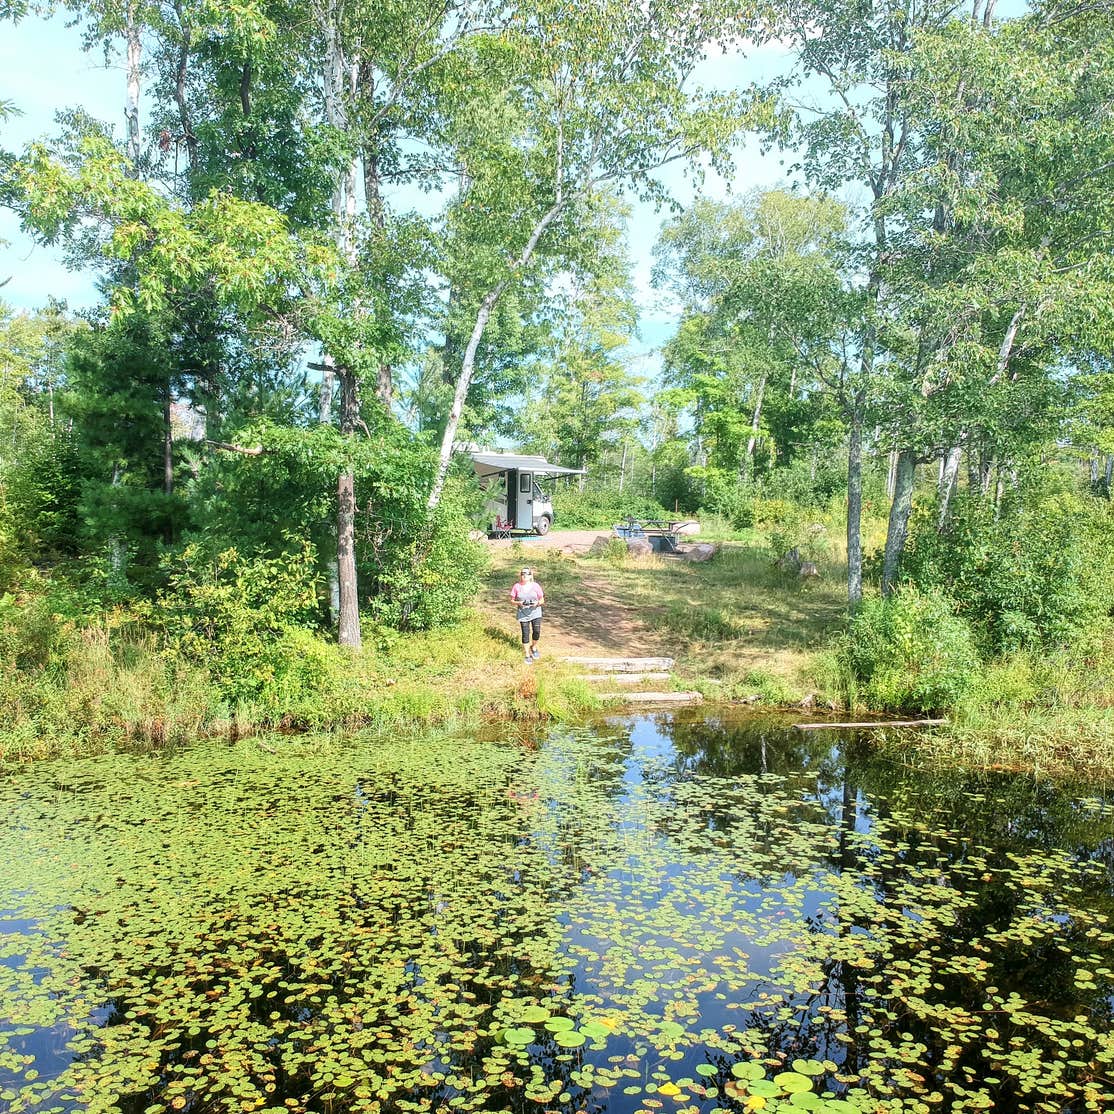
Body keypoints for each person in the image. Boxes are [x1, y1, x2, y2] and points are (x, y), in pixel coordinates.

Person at [510, 566, 545, 663]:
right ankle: (527, 654)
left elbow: (542, 599)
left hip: (536, 612)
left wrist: (537, 603)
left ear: (530, 576)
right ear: (520, 576)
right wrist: (518, 603)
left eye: (527, 574)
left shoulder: (536, 586)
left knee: (536, 631)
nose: (524, 576)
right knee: (525, 633)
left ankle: (533, 647)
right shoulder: (516, 586)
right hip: (523, 613)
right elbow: (512, 600)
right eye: (522, 574)